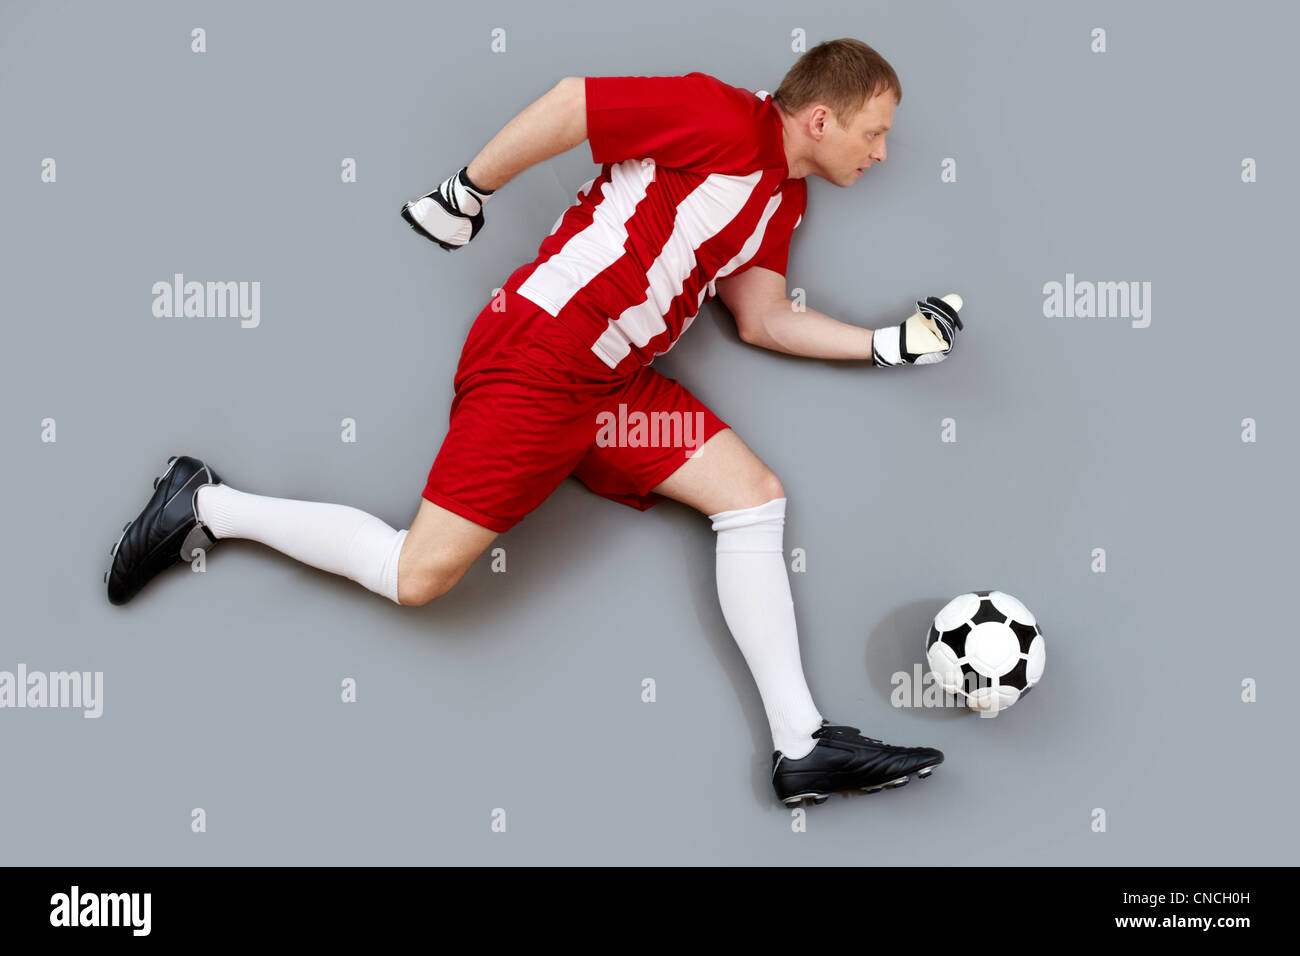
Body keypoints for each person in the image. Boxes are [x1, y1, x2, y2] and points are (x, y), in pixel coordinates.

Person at [106, 38, 964, 807]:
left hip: (614, 392)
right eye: (874, 132)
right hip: (541, 363)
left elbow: (765, 319)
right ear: (821, 117)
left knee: (752, 496)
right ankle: (205, 506)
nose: (882, 152)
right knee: (417, 577)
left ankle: (800, 747)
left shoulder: (783, 204)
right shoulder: (716, 113)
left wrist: (890, 343)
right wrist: (466, 189)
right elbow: (570, 103)